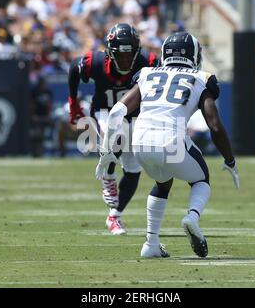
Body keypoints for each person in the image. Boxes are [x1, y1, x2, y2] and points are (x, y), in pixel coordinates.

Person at [96, 31, 239, 258]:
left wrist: (106, 152)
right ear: (194, 55)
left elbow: (116, 112)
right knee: (201, 179)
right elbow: (215, 125)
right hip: (170, 140)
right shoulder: (202, 78)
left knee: (163, 182)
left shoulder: (147, 74)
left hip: (140, 143)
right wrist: (230, 159)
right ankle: (192, 217)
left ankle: (151, 244)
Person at [68, 23, 159, 235]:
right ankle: (108, 176)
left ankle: (114, 216)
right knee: (115, 129)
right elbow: (74, 66)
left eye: (130, 56)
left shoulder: (149, 62)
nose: (126, 61)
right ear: (110, 53)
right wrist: (73, 101)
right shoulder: (96, 62)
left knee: (134, 170)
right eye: (121, 55)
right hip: (104, 112)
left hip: (134, 116)